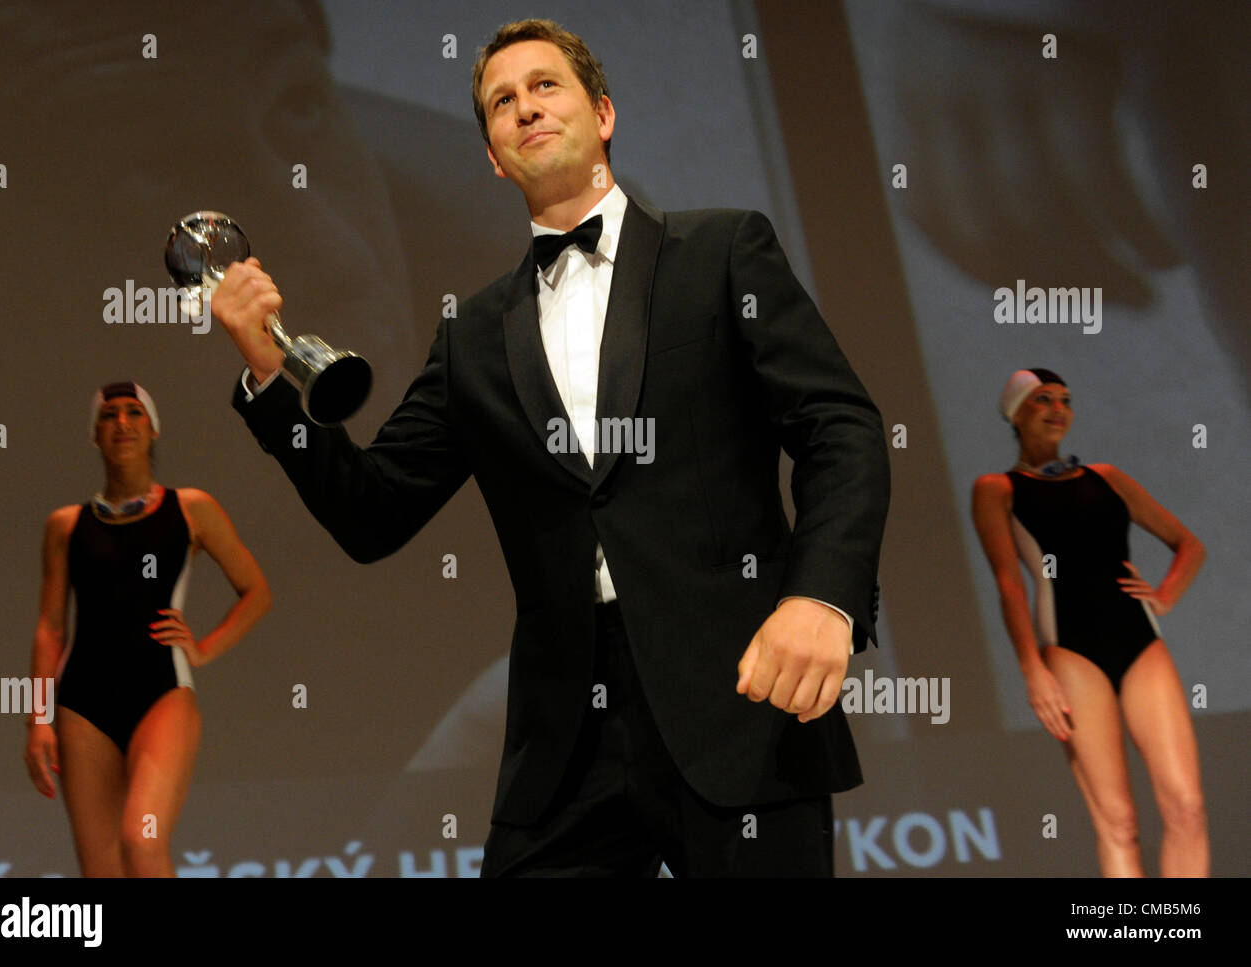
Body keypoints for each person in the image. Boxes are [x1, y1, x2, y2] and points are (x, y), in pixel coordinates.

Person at [213, 19, 889, 876]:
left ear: (602, 113)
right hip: (565, 738)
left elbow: (844, 430)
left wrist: (821, 599)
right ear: (493, 156)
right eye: (501, 101)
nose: (524, 107)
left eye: (545, 86)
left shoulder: (721, 251)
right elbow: (373, 511)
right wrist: (268, 372)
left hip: (738, 696)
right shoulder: (474, 336)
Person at [25, 382, 271, 876]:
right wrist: (37, 719)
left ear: (153, 428)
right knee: (102, 870)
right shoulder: (66, 525)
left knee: (142, 840)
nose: (122, 423)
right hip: (82, 706)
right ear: (94, 435)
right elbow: (52, 628)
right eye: (109, 415)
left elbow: (256, 591)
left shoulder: (191, 508)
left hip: (162, 693)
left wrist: (203, 649)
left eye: (134, 413)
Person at [972, 368, 1207, 876]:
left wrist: (1164, 597)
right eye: (1043, 400)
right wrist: (1033, 670)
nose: (1058, 409)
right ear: (1016, 413)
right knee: (1117, 821)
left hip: (1140, 641)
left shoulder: (1108, 478)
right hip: (1070, 651)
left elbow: (1189, 544)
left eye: (1065, 400)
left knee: (1186, 805)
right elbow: (1009, 584)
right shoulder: (997, 490)